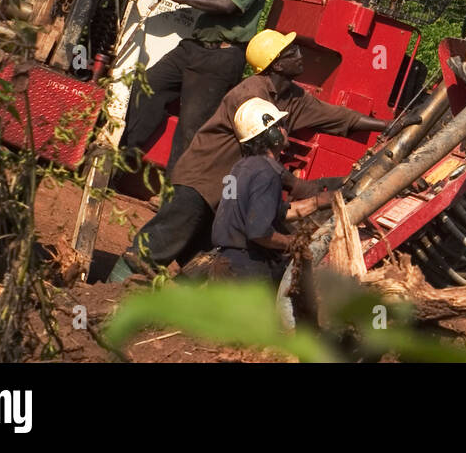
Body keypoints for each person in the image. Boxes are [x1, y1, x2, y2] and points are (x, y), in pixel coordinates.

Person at [106, 28, 417, 282]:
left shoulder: (293, 97)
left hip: (227, 190)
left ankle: (180, 311)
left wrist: (390, 124)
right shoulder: (250, 95)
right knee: (163, 240)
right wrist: (296, 183)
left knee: (210, 254)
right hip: (201, 180)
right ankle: (107, 291)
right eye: (291, 52)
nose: (300, 55)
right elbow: (259, 149)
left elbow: (339, 118)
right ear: (276, 65)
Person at [122, 0, 272, 177]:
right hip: (192, 48)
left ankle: (173, 196)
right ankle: (127, 155)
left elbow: (227, 5)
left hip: (222, 57)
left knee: (191, 126)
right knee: (147, 85)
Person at [208, 97, 307, 281]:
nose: (286, 129)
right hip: (246, 269)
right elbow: (259, 232)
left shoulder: (241, 167)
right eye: (281, 125)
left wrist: (319, 202)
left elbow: (265, 211)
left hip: (224, 262)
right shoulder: (266, 173)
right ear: (272, 133)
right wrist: (293, 243)